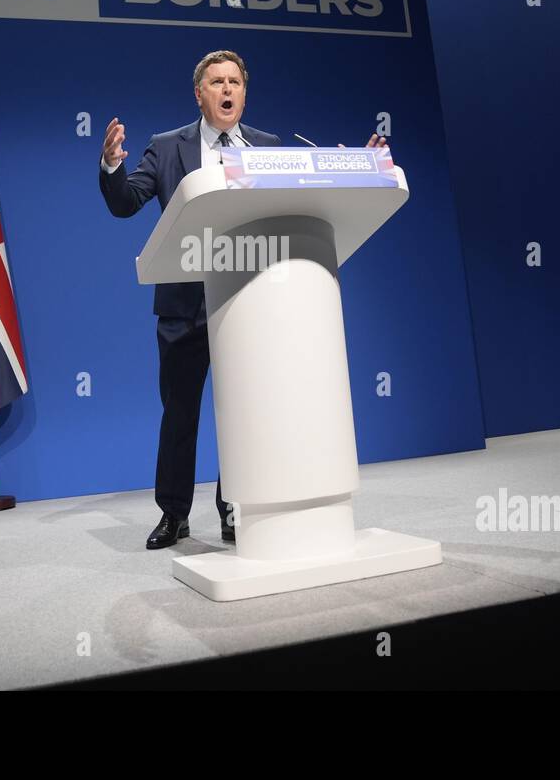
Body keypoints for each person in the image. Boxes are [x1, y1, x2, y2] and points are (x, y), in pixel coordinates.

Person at [98, 49, 387, 549]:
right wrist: (111, 166)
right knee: (181, 412)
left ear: (244, 92)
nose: (227, 90)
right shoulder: (167, 148)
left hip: (252, 305)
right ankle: (174, 514)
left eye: (235, 82)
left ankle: (238, 506)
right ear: (200, 93)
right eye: (217, 82)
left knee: (245, 409)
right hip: (184, 306)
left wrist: (353, 168)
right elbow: (126, 204)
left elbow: (297, 205)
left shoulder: (269, 146)